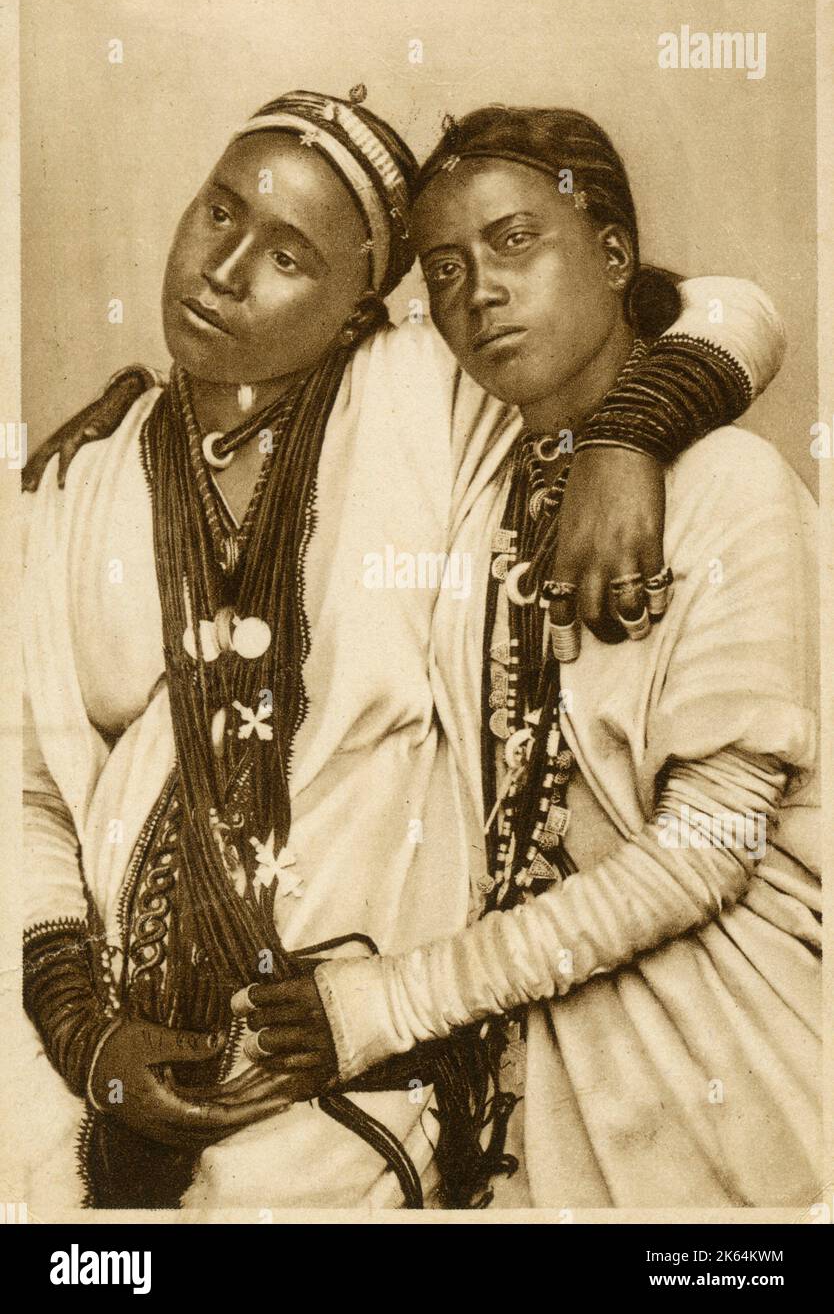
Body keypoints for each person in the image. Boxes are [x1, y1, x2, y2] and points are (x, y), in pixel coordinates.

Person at [23, 90, 789, 1210]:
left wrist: (633, 427)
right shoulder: (73, 480)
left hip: (359, 1078)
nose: (225, 270)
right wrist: (77, 1024)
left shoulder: (425, 394)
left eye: (288, 255)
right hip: (98, 1056)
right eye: (219, 213)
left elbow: (722, 308)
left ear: (358, 315)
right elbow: (26, 780)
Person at [233, 106, 820, 1209]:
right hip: (523, 1097)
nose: (477, 293)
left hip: (722, 1077)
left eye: (514, 242)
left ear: (610, 255)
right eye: (444, 270)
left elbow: (705, 852)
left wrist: (390, 1002)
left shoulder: (732, 487)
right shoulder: (481, 490)